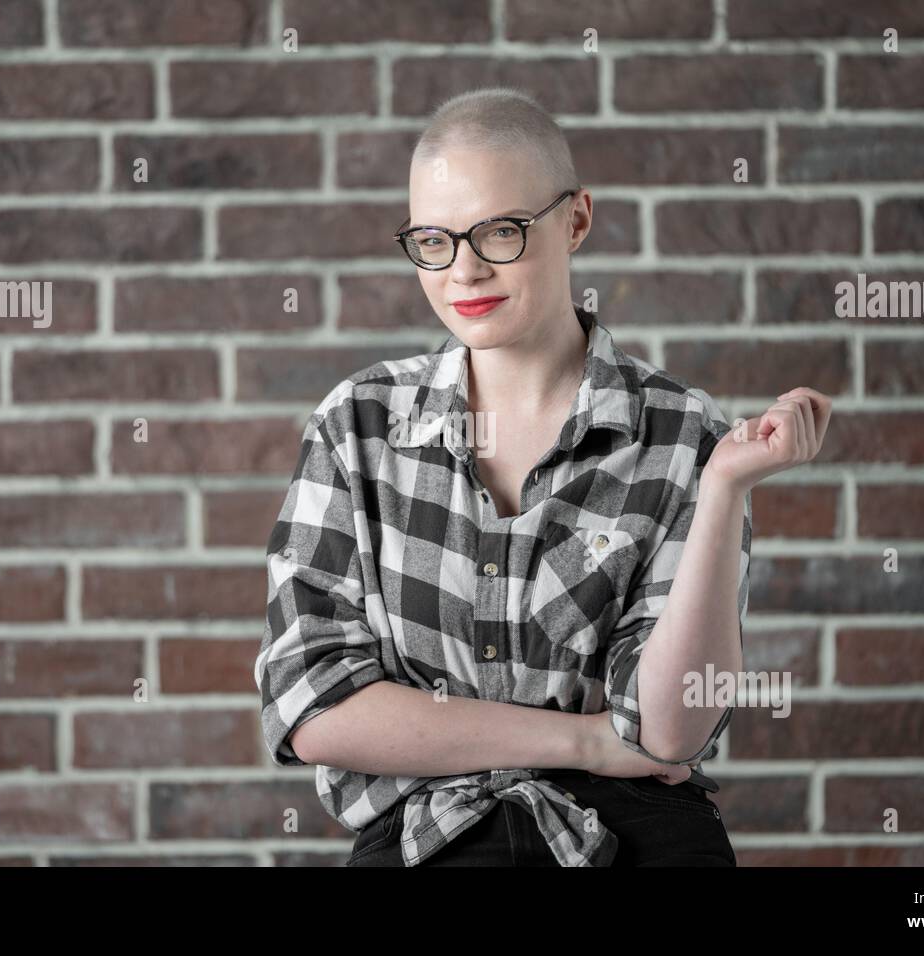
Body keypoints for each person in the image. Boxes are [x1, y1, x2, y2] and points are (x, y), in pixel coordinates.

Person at [254, 87, 832, 866]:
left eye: (501, 232)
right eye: (434, 240)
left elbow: (671, 732)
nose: (464, 271)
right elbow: (313, 703)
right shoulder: (357, 425)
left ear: (577, 220)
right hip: (428, 844)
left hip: (636, 842)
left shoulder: (686, 435)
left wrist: (725, 490)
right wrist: (585, 740)